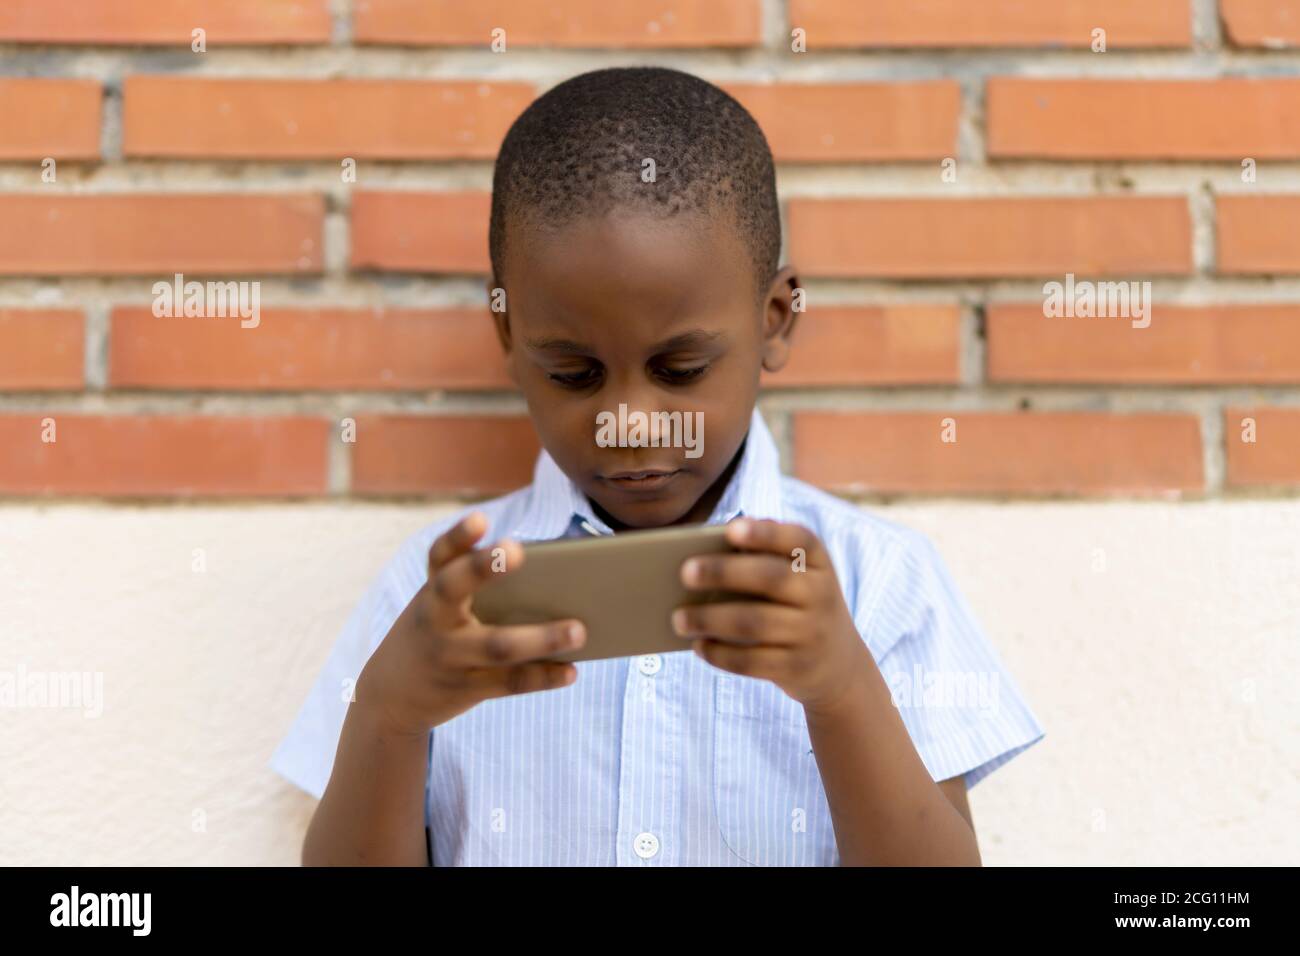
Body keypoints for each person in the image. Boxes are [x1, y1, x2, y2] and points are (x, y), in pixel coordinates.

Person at [270, 66, 1045, 866]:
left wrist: (842, 691)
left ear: (775, 320)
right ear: (508, 339)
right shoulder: (437, 598)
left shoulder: (880, 583)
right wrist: (388, 717)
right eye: (574, 374)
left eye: (680, 369)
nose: (629, 425)